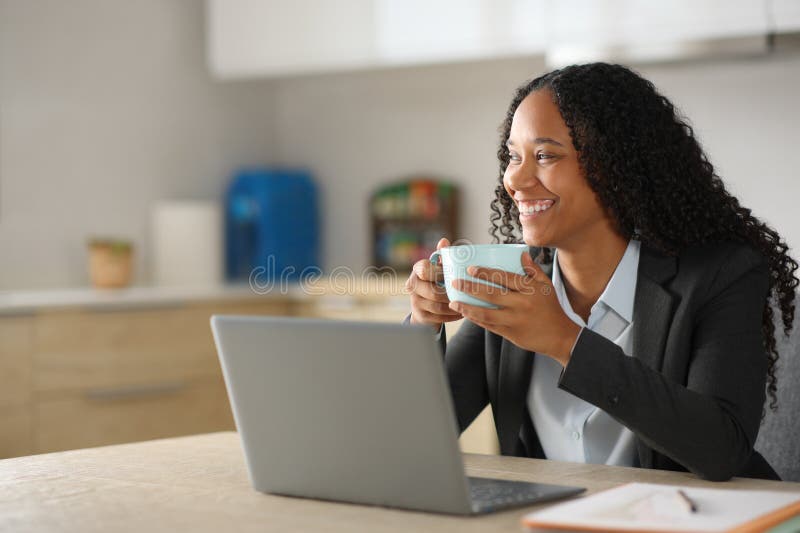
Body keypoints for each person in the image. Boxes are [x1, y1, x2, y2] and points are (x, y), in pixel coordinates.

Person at [405, 63, 798, 481]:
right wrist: (421, 329)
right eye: (513, 157)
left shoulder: (721, 274)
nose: (514, 179)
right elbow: (413, 439)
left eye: (544, 156)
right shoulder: (512, 282)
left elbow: (722, 450)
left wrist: (565, 342)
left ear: (616, 167)